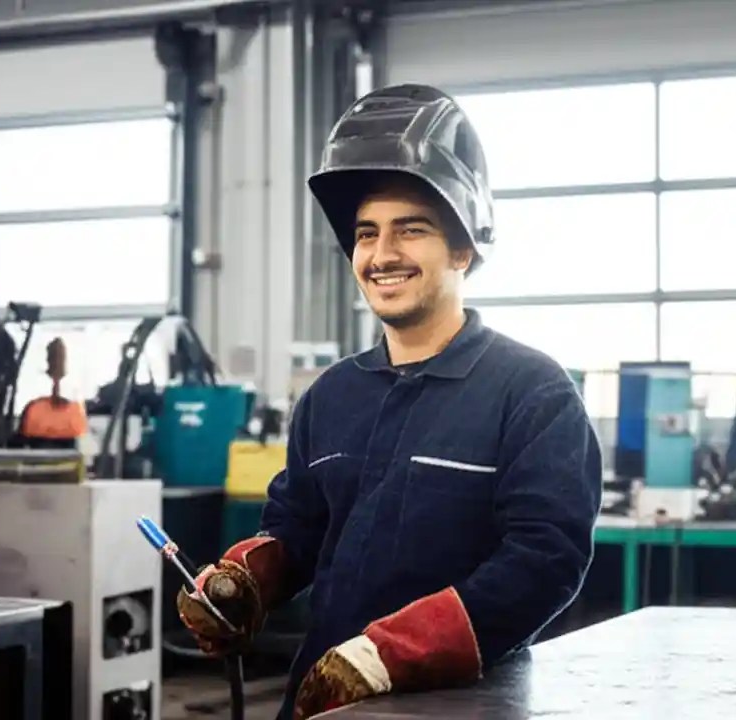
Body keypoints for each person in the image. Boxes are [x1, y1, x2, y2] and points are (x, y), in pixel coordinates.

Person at [177, 83, 603, 720]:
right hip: (321, 702)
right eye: (367, 233)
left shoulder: (533, 393)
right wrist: (246, 584)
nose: (382, 254)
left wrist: (391, 653)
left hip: (459, 706)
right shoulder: (331, 396)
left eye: (412, 230)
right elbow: (297, 527)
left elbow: (545, 563)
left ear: (464, 248)